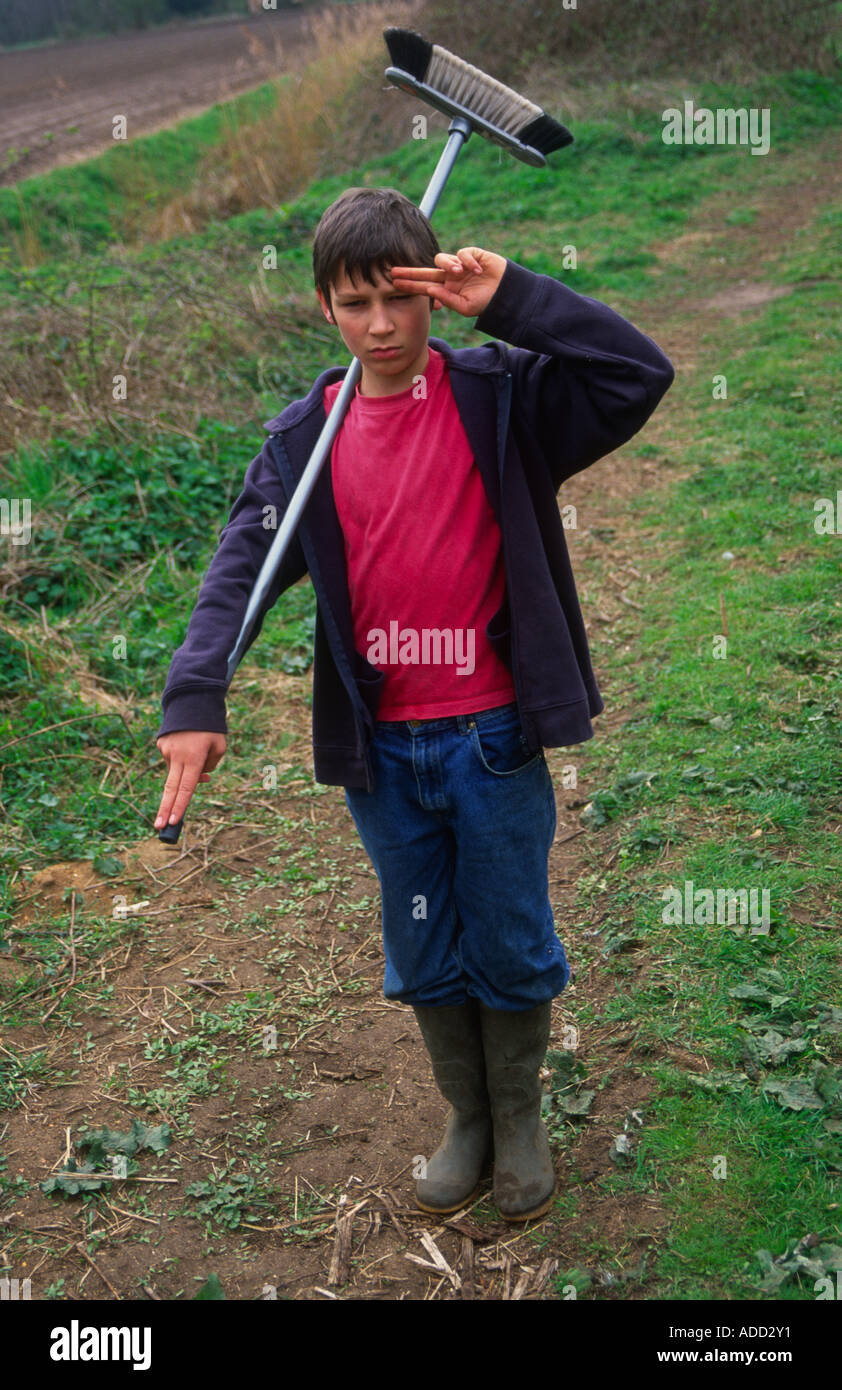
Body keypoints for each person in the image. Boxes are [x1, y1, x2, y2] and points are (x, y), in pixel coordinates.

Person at [154, 186, 674, 1222]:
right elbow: (237, 572)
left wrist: (513, 299)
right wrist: (194, 691)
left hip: (490, 735)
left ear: (433, 290)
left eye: (400, 298)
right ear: (322, 309)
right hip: (382, 755)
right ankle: (466, 1116)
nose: (381, 326)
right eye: (355, 304)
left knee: (511, 931)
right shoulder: (303, 443)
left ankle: (519, 1114)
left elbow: (634, 373)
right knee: (424, 936)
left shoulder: (502, 400)